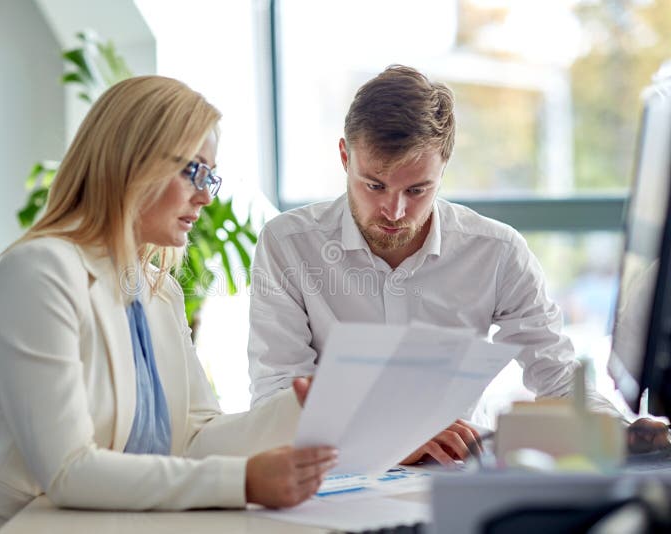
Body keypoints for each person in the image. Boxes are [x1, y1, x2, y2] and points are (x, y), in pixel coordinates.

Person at [0, 76, 336, 533]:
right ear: (133, 163)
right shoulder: (39, 274)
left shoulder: (157, 290)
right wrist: (242, 481)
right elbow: (68, 471)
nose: (205, 196)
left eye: (212, 177)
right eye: (194, 171)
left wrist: (306, 408)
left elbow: (195, 438)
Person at [248, 64, 624, 466]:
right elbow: (276, 400)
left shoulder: (496, 251)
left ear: (443, 167)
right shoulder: (288, 245)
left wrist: (621, 433)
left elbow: (558, 374)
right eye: (374, 185)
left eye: (417, 189)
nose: (394, 210)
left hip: (458, 472)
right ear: (345, 156)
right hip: (333, 479)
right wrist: (394, 442)